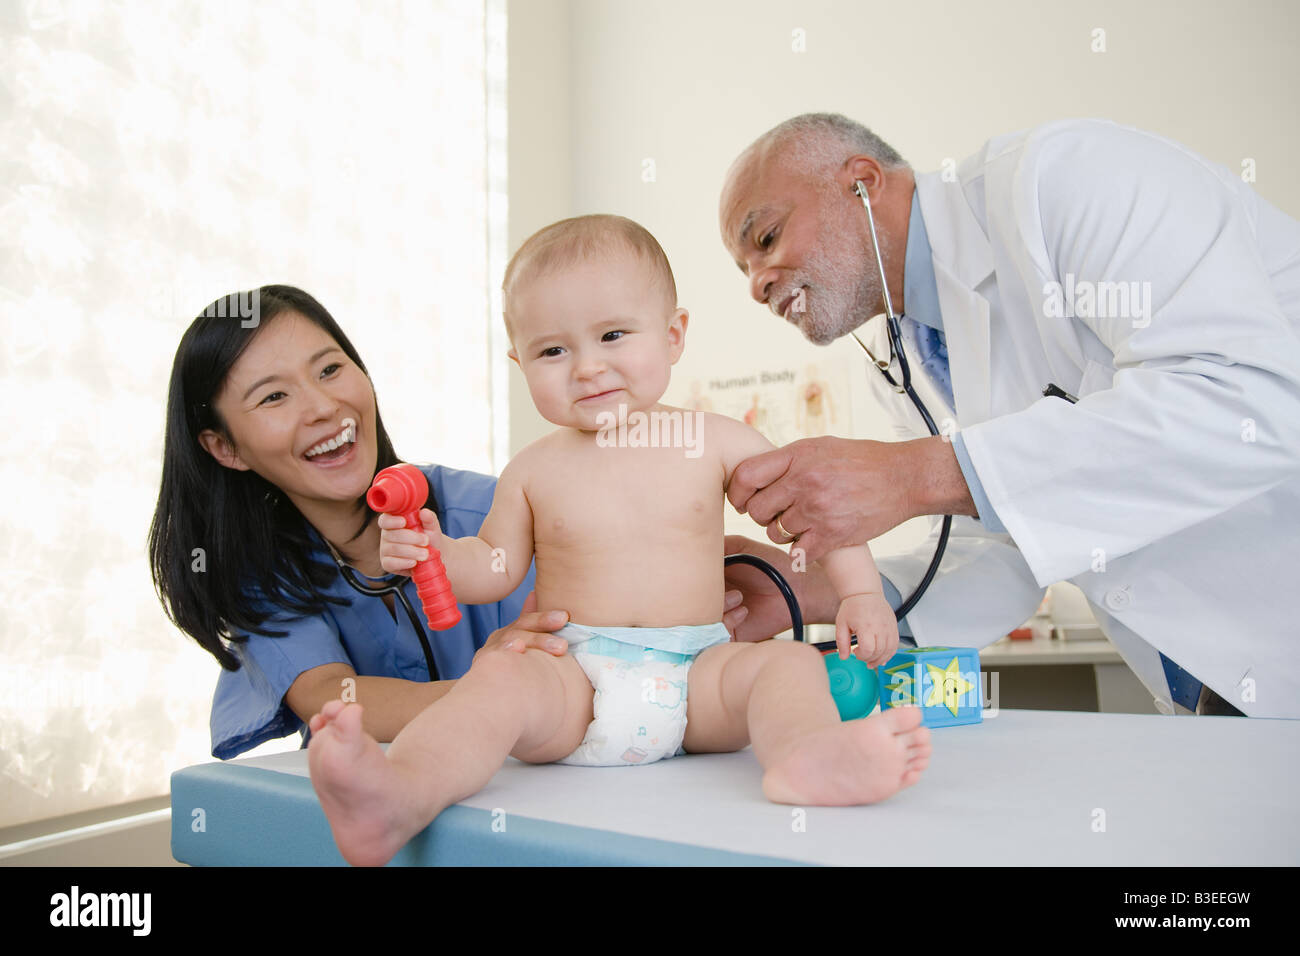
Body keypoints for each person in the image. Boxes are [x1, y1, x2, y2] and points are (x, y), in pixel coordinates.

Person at [306, 215, 932, 866]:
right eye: (553, 351)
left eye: (612, 335)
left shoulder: (712, 440)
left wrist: (860, 593)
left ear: (672, 335)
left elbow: (815, 506)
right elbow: (493, 568)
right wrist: (435, 554)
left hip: (701, 679)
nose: (588, 368)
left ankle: (807, 759)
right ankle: (399, 794)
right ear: (520, 361)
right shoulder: (533, 470)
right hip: (575, 680)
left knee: (787, 667)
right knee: (496, 685)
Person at [717, 113, 1300, 719]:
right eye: (744, 273)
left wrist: (916, 474)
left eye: (765, 240)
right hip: (1219, 689)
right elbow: (1004, 540)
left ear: (862, 182)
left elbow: (1251, 397)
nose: (758, 286)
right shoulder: (903, 358)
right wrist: (817, 589)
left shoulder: (1062, 180)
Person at [148, 285, 568, 759]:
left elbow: (592, 664)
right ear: (226, 448)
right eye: (274, 397)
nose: (324, 407)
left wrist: (523, 686)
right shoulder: (261, 571)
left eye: (329, 369)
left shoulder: (495, 511)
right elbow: (328, 694)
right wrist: (502, 686)